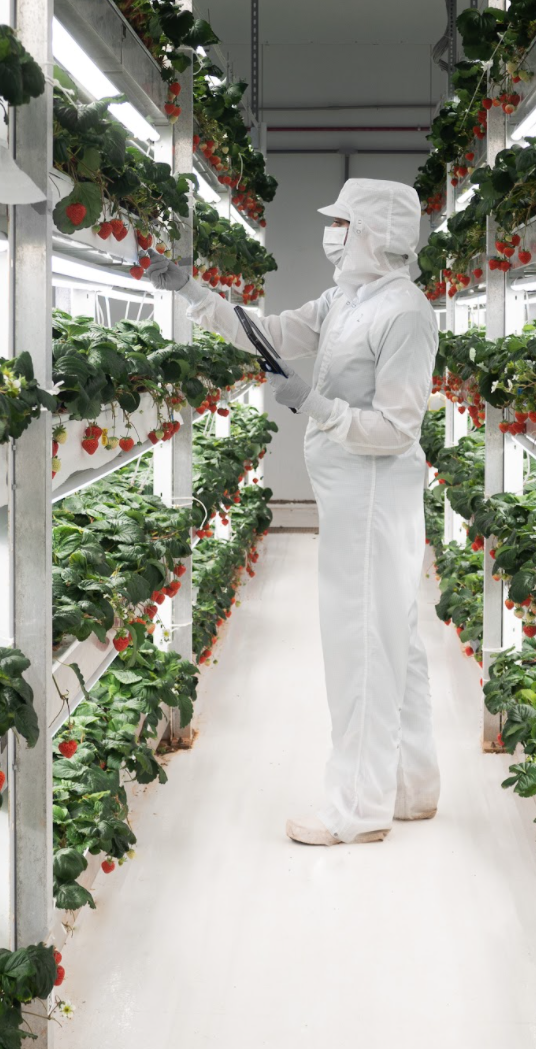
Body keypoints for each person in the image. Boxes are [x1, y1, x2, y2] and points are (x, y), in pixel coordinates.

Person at [146, 177, 441, 846]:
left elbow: (396, 427)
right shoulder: (348, 298)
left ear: (373, 230)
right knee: (396, 641)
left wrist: (316, 406)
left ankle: (357, 810)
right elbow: (272, 335)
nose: (329, 231)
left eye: (340, 220)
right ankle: (410, 787)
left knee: (361, 644)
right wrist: (194, 294)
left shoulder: (406, 312)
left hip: (372, 496)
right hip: (352, 494)